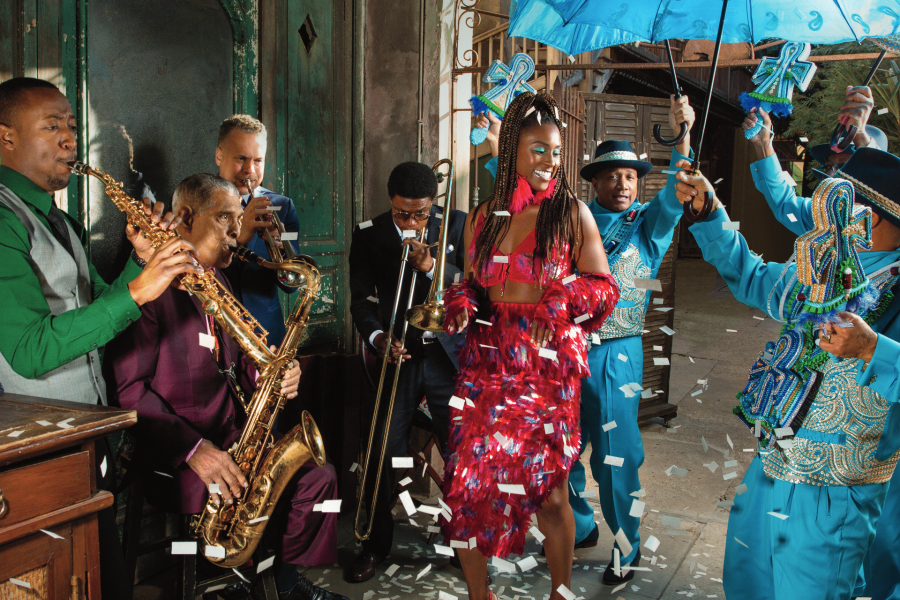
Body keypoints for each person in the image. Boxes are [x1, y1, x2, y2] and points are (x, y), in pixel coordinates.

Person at [475, 96, 695, 583]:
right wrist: (499, 148)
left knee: (618, 458)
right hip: (559, 353)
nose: (623, 184)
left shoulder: (648, 224)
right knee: (562, 454)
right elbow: (519, 203)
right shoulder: (564, 214)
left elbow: (678, 190)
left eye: (632, 176)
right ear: (593, 181)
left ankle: (625, 545)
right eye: (613, 176)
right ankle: (583, 523)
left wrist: (683, 136)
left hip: (618, 354)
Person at [104, 173, 346, 600]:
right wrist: (195, 451)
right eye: (225, 220)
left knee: (318, 479)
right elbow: (128, 392)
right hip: (178, 454)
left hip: (233, 437)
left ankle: (283, 582)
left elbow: (234, 362)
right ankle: (258, 583)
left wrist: (274, 375)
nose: (238, 233)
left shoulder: (218, 278)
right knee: (259, 491)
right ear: (184, 217)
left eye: (239, 220)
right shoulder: (148, 288)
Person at [0, 76, 197, 599]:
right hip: (37, 453)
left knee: (102, 577)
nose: (69, 139)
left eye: (71, 125)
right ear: (5, 139)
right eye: (51, 127)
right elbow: (29, 351)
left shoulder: (59, 219)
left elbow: (98, 308)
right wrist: (137, 290)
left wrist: (141, 259)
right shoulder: (2, 219)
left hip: (87, 434)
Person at [674, 148, 900, 600]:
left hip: (835, 494)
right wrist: (709, 212)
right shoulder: (823, 269)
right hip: (773, 463)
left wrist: (872, 347)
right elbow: (753, 276)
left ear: (866, 218)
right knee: (749, 580)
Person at [441, 92, 620, 600]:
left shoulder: (572, 213)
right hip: (486, 364)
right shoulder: (482, 216)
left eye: (556, 151)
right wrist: (461, 299)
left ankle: (560, 594)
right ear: (513, 149)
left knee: (550, 494)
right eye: (538, 149)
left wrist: (560, 299)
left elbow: (605, 288)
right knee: (469, 489)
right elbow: (476, 284)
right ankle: (481, 595)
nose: (549, 162)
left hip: (545, 368)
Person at [744, 86, 900, 600]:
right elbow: (785, 222)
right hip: (788, 455)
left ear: (873, 217)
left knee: (876, 558)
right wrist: (762, 151)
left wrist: (873, 350)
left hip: (860, 467)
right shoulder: (828, 259)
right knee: (756, 573)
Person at [347, 161, 467, 582]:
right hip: (398, 356)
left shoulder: (459, 224)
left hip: (447, 358)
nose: (412, 222)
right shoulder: (368, 232)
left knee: (460, 451)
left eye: (421, 213)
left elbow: (472, 288)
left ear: (433, 204)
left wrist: (433, 269)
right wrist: (378, 339)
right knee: (381, 450)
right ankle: (373, 544)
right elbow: (359, 300)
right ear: (390, 204)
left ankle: (459, 541)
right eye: (403, 214)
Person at [218, 114, 300, 348]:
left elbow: (291, 284)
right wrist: (241, 239)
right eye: (241, 158)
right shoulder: (197, 202)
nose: (249, 170)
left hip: (267, 330)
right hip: (216, 326)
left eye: (257, 160)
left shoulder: (282, 207)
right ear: (219, 156)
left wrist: (281, 248)